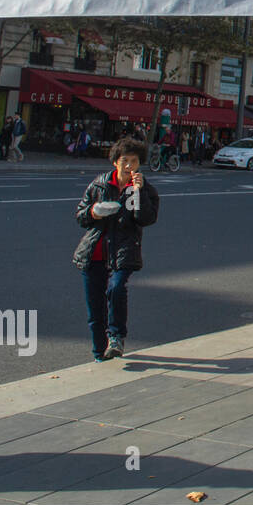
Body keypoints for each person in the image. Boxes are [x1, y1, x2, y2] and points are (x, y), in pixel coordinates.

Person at [72, 136, 160, 361]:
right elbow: (81, 215)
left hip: (124, 250)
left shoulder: (142, 188)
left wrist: (139, 192)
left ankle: (117, 337)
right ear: (115, 162)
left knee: (117, 288)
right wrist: (93, 212)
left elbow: (145, 219)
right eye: (125, 161)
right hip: (94, 252)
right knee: (95, 308)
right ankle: (99, 353)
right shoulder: (100, 184)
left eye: (134, 161)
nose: (129, 166)